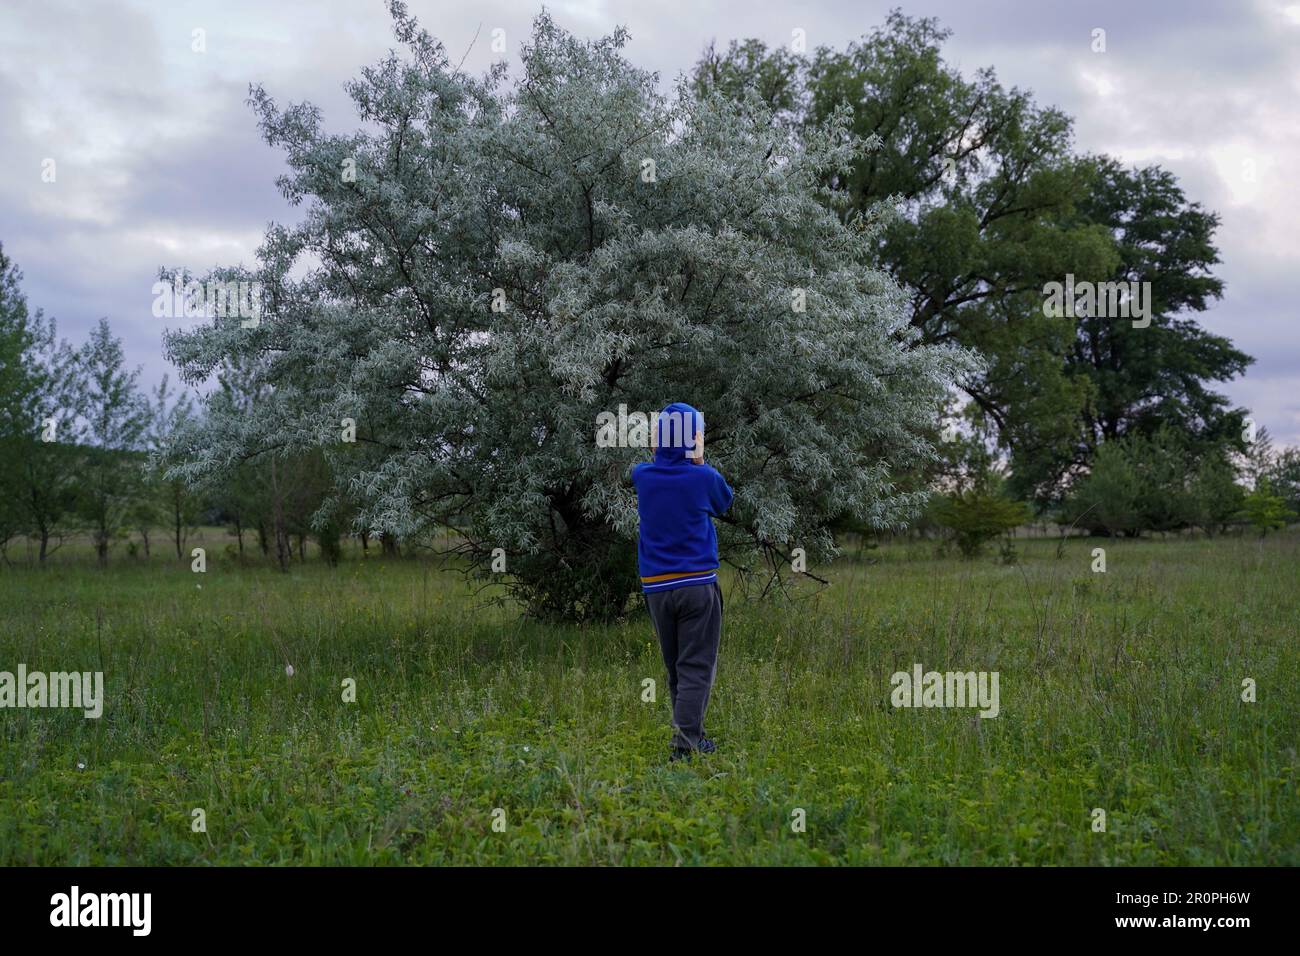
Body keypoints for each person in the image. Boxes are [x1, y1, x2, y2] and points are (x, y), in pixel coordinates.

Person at [630, 402, 734, 762]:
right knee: (696, 667)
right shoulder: (702, 479)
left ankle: (691, 735)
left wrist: (669, 449)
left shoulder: (642, 476)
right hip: (697, 586)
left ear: (657, 441)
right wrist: (699, 459)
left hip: (657, 588)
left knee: (676, 667)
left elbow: (655, 463)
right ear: (694, 439)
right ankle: (684, 747)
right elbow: (725, 501)